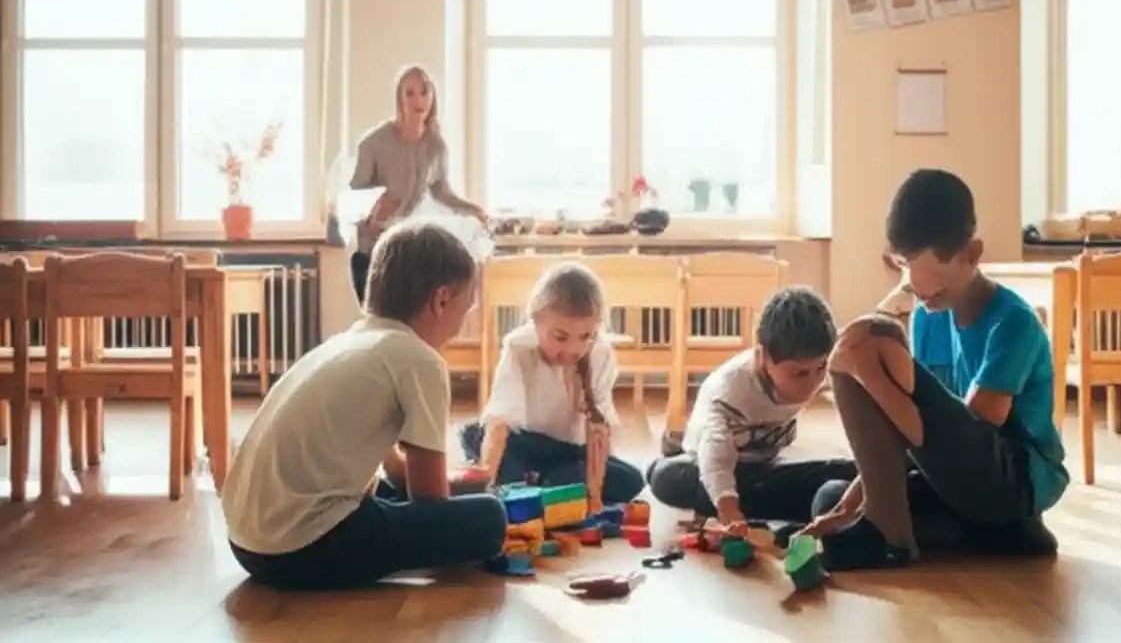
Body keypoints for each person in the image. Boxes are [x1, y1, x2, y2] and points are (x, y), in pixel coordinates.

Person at [799, 168, 1065, 569]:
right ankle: (1006, 535)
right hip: (956, 476)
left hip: (1010, 479)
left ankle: (895, 537)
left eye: (936, 287)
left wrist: (870, 374)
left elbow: (971, 429)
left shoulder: (1013, 324)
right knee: (830, 494)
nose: (922, 297)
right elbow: (918, 430)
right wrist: (847, 504)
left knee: (873, 336)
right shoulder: (929, 316)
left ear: (972, 256)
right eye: (907, 274)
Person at [221, 220, 506, 591]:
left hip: (245, 543)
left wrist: (455, 483)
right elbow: (430, 501)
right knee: (489, 517)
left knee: (392, 496)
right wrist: (468, 494)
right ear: (441, 300)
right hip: (302, 549)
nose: (459, 326)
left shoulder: (350, 343)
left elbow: (392, 470)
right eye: (465, 310)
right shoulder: (420, 360)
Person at [646, 286, 858, 535]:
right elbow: (717, 458)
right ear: (762, 358)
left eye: (821, 368)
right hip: (708, 466)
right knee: (666, 477)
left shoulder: (816, 370)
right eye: (800, 373)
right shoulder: (733, 388)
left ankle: (766, 509)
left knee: (847, 472)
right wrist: (730, 512)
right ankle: (679, 455)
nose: (813, 382)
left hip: (762, 471)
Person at [459, 263, 645, 504]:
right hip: (524, 442)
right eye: (560, 337)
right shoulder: (518, 348)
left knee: (630, 479)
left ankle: (539, 485)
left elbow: (600, 429)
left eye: (586, 336)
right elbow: (500, 422)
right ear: (535, 321)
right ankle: (542, 487)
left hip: (568, 451)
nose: (573, 349)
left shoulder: (600, 353)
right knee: (477, 435)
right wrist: (486, 489)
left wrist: (596, 490)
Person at [347, 65, 486, 303]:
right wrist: (374, 214)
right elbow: (352, 197)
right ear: (400, 99)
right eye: (410, 93)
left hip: (406, 250)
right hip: (372, 250)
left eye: (424, 91)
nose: (418, 100)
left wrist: (475, 209)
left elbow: (442, 191)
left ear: (433, 96)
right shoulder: (373, 143)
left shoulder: (436, 145)